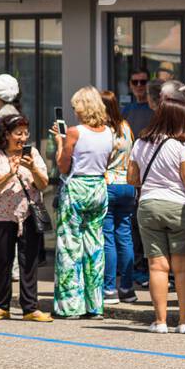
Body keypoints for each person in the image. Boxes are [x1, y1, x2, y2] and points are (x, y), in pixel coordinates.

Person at [129, 100, 185, 333]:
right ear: (178, 119)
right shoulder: (181, 147)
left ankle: (160, 321)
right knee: (182, 268)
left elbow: (132, 179)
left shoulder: (140, 143)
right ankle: (183, 322)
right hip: (179, 207)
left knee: (157, 267)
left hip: (149, 205)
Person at [0, 114, 51, 321]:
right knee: (3, 262)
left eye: (25, 133)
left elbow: (43, 184)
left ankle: (30, 308)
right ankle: (2, 306)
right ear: (7, 135)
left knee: (28, 262)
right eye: (18, 133)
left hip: (27, 215)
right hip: (1, 217)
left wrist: (33, 168)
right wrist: (9, 173)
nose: (23, 137)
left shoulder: (33, 154)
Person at [52, 87, 114, 318]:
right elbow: (105, 163)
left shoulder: (74, 132)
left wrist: (59, 142)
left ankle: (70, 305)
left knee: (69, 245)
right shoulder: (109, 132)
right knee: (94, 246)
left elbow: (63, 165)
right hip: (98, 187)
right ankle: (94, 304)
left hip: (77, 186)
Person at [100, 90, 137, 304]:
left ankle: (109, 289)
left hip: (109, 183)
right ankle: (127, 287)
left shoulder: (104, 130)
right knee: (125, 235)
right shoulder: (126, 127)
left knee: (108, 237)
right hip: (128, 184)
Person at [122, 70, 154, 137]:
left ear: (148, 84)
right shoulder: (127, 109)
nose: (139, 85)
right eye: (135, 82)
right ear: (130, 84)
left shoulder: (156, 109)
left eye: (143, 82)